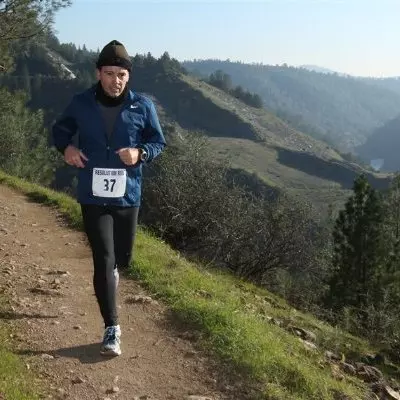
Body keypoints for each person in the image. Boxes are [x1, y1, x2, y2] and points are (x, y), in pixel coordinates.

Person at [52, 40, 166, 356]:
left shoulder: (143, 106)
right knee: (103, 257)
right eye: (109, 73)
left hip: (128, 195)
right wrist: (68, 149)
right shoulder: (80, 103)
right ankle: (111, 327)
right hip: (92, 193)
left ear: (128, 77)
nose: (115, 80)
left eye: (121, 74)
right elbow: (60, 131)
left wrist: (141, 152)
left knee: (122, 259)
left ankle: (112, 275)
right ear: (98, 73)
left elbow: (158, 142)